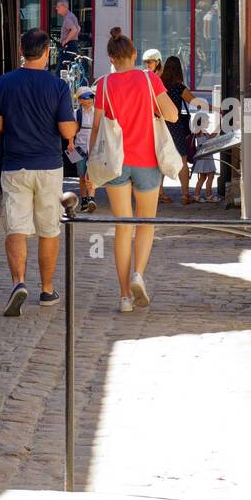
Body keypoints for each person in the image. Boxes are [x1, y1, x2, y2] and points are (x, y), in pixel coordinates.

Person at [0, 27, 77, 316]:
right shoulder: (58, 87)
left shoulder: (3, 83)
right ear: (48, 52)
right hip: (49, 166)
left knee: (16, 227)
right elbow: (65, 129)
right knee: (49, 229)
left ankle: (18, 282)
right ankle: (47, 289)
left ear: (21, 50)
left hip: (15, 166)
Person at [89, 27, 178, 312]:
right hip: (147, 161)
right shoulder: (149, 79)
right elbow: (173, 115)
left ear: (111, 58)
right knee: (146, 223)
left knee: (122, 227)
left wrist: (90, 168)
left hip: (116, 162)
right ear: (135, 55)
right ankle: (139, 273)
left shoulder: (103, 85)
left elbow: (96, 129)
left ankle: (125, 295)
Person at [161, 55, 198, 205]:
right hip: (175, 126)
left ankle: (160, 193)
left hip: (160, 126)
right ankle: (184, 194)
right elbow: (197, 102)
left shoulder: (159, 85)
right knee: (182, 160)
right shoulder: (179, 88)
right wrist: (216, 109)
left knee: (160, 160)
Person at [141, 48, 171, 200]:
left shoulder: (155, 78)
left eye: (150, 62)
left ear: (158, 62)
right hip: (151, 121)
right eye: (145, 62)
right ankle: (155, 191)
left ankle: (158, 190)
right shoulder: (150, 77)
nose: (147, 64)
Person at [74, 85, 98, 211]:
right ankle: (84, 200)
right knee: (82, 175)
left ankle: (91, 199)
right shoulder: (76, 114)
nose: (89, 99)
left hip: (94, 147)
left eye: (91, 96)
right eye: (85, 97)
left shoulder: (97, 113)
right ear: (79, 100)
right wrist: (70, 144)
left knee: (92, 174)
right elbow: (72, 131)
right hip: (79, 147)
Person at [55, 0, 81, 68]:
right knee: (70, 68)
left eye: (58, 6)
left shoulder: (67, 18)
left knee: (61, 69)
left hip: (68, 46)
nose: (56, 8)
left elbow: (74, 29)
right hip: (72, 45)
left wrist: (66, 41)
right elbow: (78, 28)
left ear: (64, 7)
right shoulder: (72, 15)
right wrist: (73, 38)